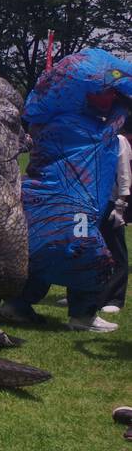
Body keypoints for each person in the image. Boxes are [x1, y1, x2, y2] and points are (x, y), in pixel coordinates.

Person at [100, 127, 131, 314]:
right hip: (93, 201)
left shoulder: (119, 140)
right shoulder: (89, 137)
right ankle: (89, 293)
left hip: (111, 201)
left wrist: (120, 205)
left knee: (116, 250)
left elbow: (124, 174)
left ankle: (115, 297)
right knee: (92, 250)